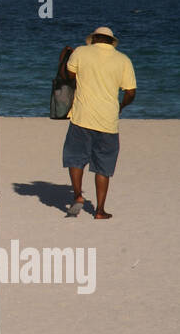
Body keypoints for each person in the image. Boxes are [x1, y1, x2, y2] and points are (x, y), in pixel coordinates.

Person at [58, 26, 136, 219]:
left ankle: (77, 196)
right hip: (108, 122)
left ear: (93, 39)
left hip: (82, 118)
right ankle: (99, 211)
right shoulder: (123, 60)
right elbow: (130, 92)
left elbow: (68, 77)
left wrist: (63, 58)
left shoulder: (81, 52)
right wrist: (121, 106)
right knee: (103, 167)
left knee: (75, 158)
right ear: (111, 41)